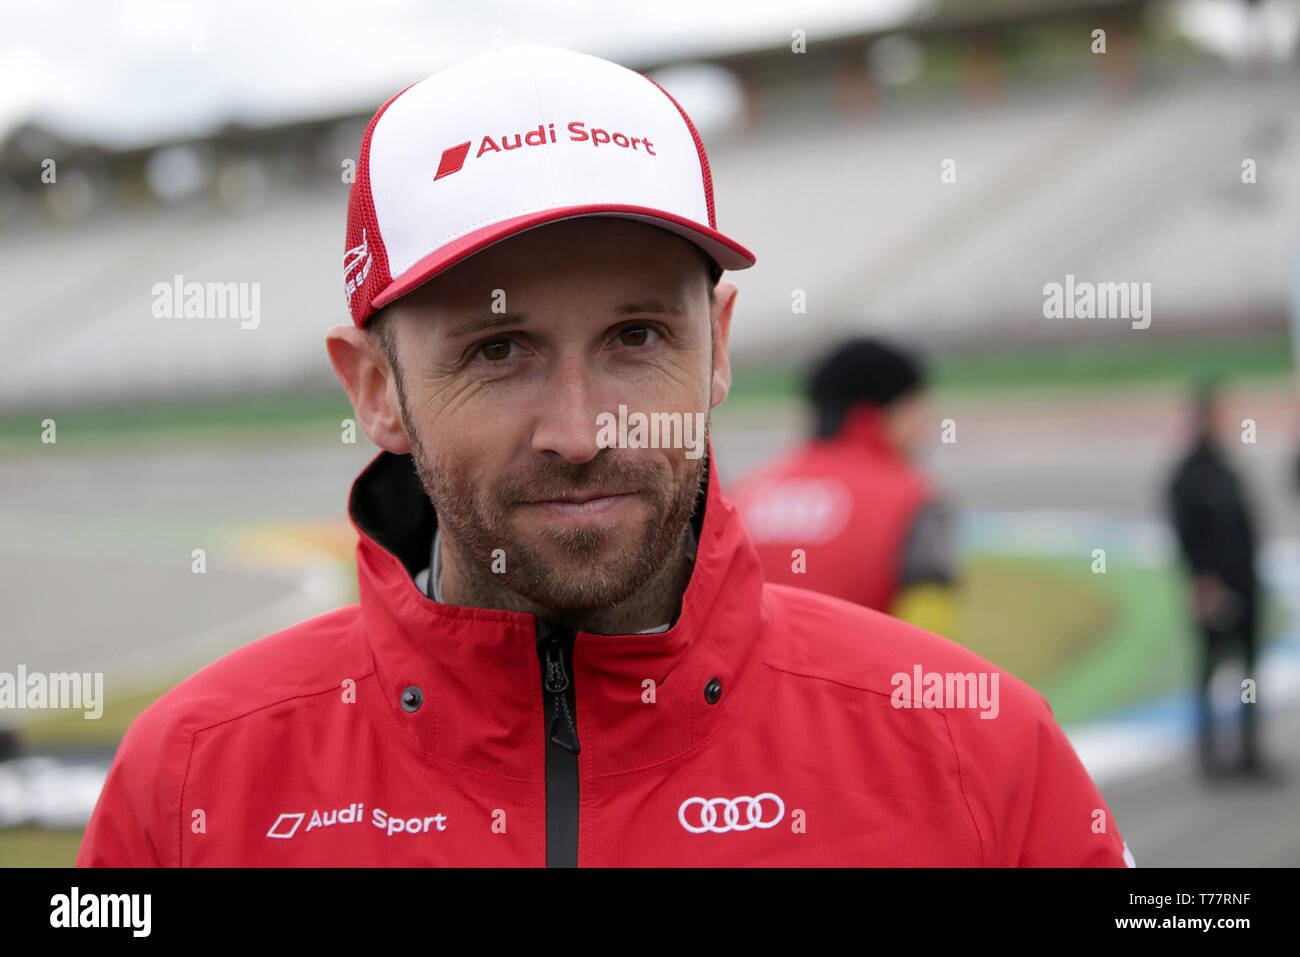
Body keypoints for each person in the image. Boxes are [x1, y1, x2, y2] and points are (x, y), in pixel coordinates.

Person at [77, 44, 1131, 867]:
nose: (582, 434)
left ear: (717, 348)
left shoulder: (976, 754)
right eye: (498, 350)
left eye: (636, 337)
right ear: (375, 391)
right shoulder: (189, 783)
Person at [729, 338, 957, 636]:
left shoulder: (742, 494)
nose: (926, 424)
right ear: (878, 412)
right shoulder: (913, 499)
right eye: (917, 407)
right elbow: (928, 640)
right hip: (861, 679)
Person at [1167, 380, 1268, 779]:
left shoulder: (1227, 469)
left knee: (1247, 672)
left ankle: (1247, 750)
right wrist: (1201, 583)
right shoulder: (1188, 475)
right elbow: (1185, 536)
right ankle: (1210, 756)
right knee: (1210, 671)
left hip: (1245, 586)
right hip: (1213, 590)